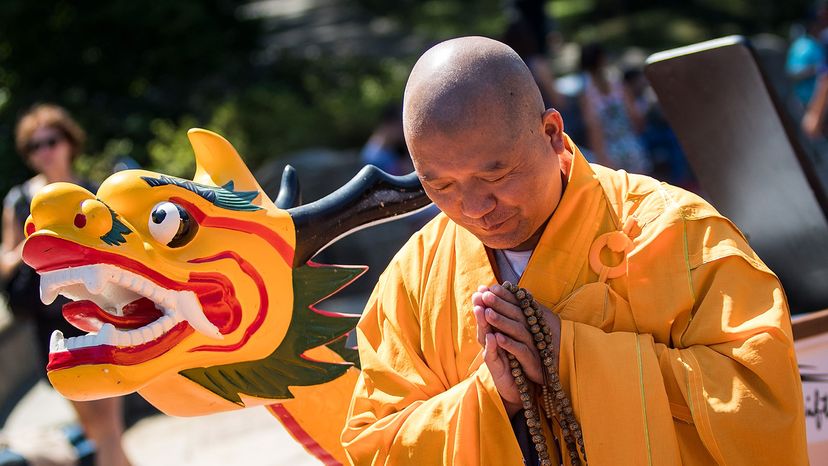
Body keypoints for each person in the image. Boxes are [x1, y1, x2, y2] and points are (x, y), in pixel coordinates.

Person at [341, 37, 808, 464]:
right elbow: (373, 444)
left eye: (497, 175)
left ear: (550, 132)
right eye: (439, 185)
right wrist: (492, 399)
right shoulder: (415, 275)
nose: (475, 208)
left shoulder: (677, 233)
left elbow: (760, 400)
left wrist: (571, 355)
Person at [1, 104, 132, 466]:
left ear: (69, 143)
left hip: (98, 313)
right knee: (96, 429)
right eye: (34, 146)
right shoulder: (19, 200)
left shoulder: (90, 192)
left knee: (108, 427)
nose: (44, 151)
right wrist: (33, 244)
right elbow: (7, 258)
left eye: (51, 141)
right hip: (51, 324)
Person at [579, 42, 651, 175]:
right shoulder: (618, 86)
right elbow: (635, 117)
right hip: (630, 144)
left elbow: (594, 131)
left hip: (609, 152)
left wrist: (600, 158)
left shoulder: (587, 95)